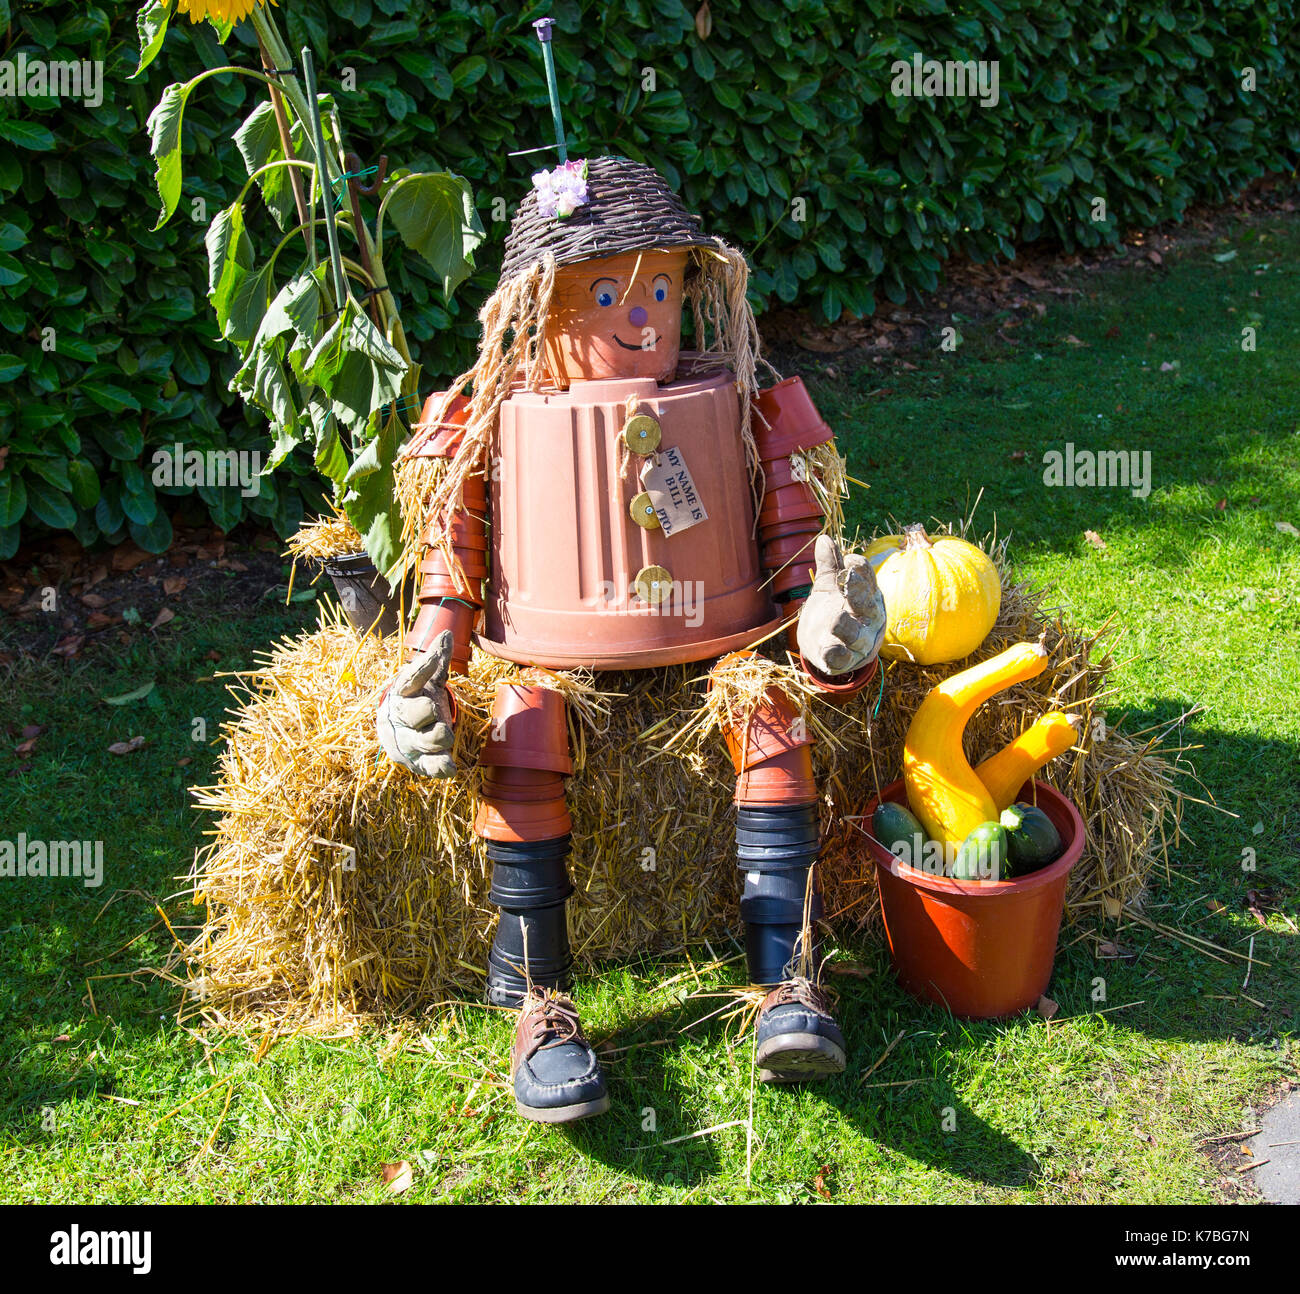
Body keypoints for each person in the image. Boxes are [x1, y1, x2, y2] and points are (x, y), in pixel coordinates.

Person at [377, 156, 886, 1123]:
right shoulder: (491, 417)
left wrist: (826, 635)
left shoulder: (740, 401)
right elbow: (452, 563)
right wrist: (428, 673)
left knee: (767, 711)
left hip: (717, 637)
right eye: (607, 290)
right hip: (549, 652)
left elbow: (796, 564)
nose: (641, 314)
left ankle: (787, 979)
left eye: (660, 286)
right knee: (523, 722)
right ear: (542, 301)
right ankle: (538, 1001)